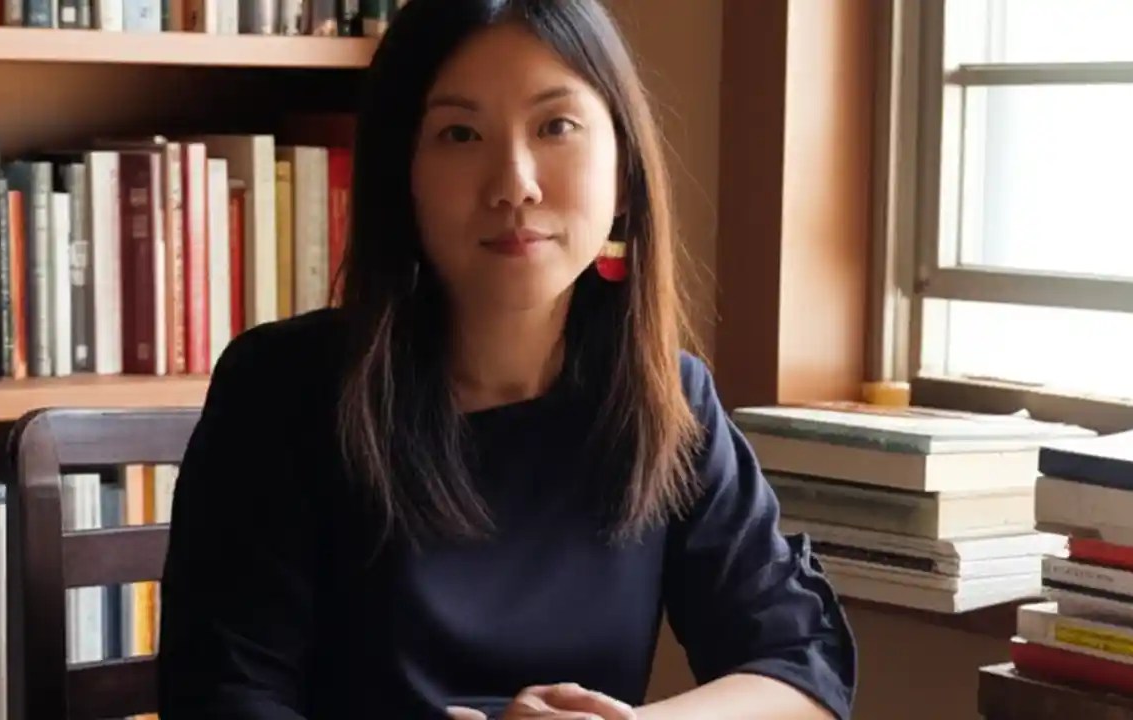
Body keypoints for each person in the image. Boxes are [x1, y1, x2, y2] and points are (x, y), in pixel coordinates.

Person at [156, 0, 857, 718]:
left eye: (557, 126)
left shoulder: (663, 398)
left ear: (624, 172)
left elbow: (801, 665)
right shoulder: (281, 393)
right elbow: (221, 701)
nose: (514, 182)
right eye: (460, 133)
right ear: (404, 177)